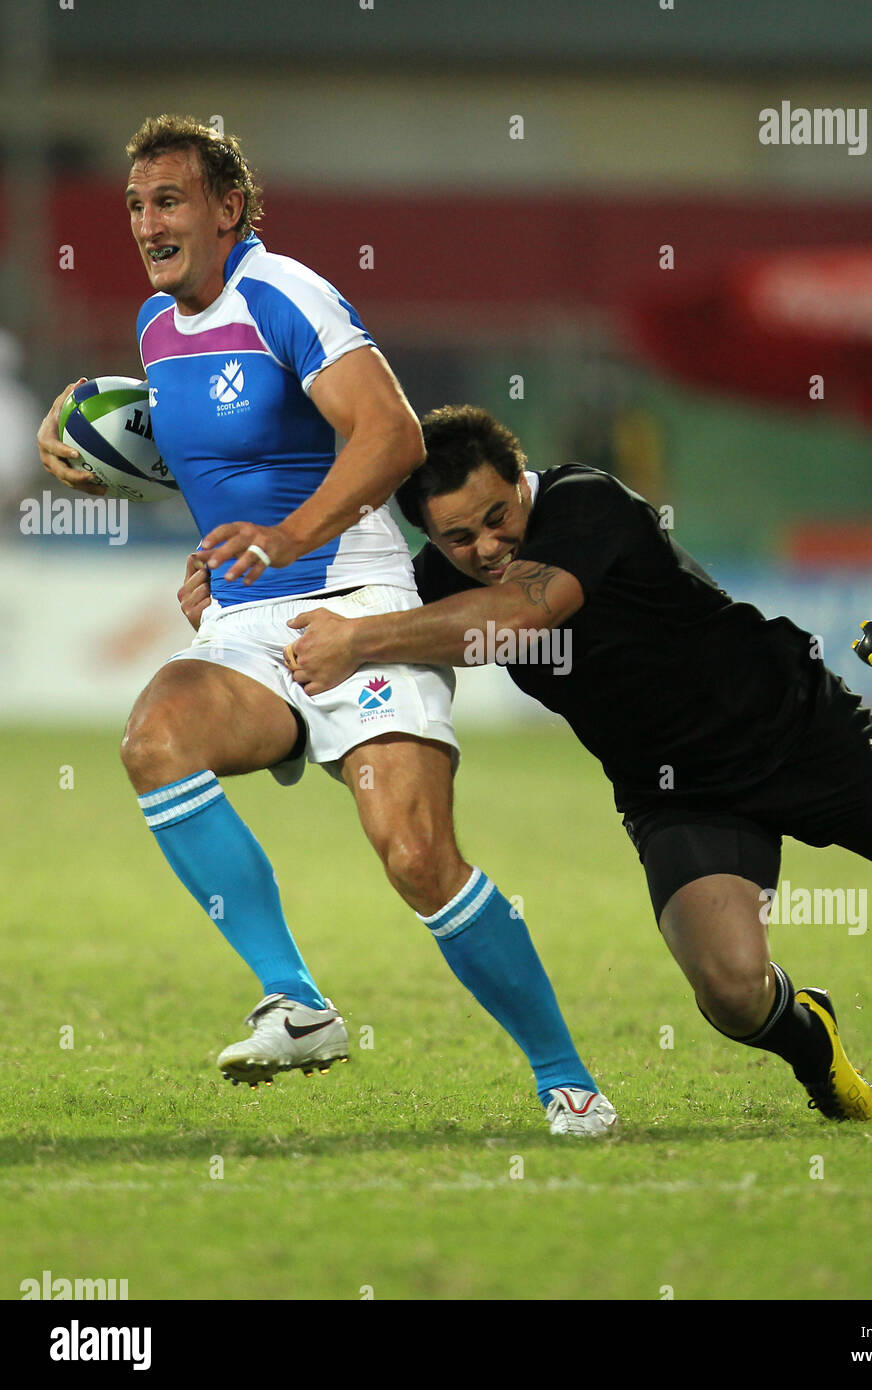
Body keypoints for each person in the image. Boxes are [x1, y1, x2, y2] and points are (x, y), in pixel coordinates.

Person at [36, 118, 615, 1137]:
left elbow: (389, 436)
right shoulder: (156, 329)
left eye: (169, 200)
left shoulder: (285, 293)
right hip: (248, 625)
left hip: (358, 603)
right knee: (154, 739)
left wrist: (283, 535)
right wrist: (90, 436)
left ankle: (565, 1078)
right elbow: (218, 463)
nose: (148, 222)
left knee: (414, 852)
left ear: (228, 208)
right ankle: (297, 1002)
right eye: (135, 205)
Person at [218, 403, 872, 1123]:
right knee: (733, 993)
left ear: (520, 478)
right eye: (460, 537)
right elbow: (313, 627)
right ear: (430, 535)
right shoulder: (433, 584)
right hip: (674, 791)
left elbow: (526, 610)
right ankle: (818, 1051)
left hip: (794, 730)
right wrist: (226, 596)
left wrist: (357, 640)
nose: (489, 547)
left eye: (500, 517)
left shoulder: (586, 502)